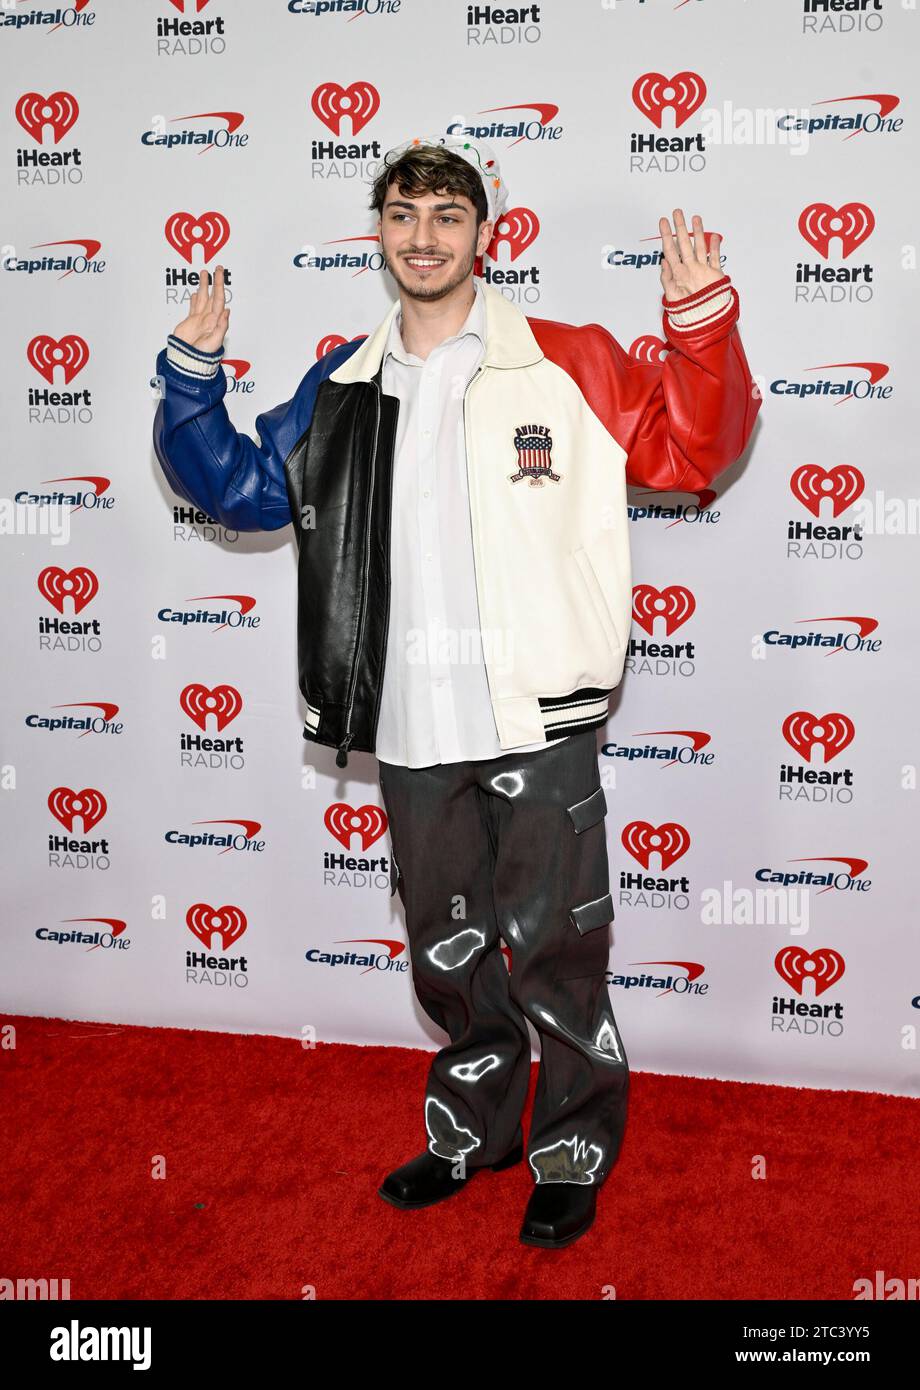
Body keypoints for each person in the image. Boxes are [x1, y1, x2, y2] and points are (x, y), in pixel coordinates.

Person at [152, 133, 761, 1249]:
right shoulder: (338, 378)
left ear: (485, 233)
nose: (423, 236)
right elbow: (242, 491)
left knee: (559, 947)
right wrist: (190, 379)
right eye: (403, 214)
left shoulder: (566, 357)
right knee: (448, 948)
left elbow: (689, 448)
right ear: (377, 232)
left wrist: (700, 328)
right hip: (410, 720)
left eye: (446, 214)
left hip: (539, 713)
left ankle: (571, 1145)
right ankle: (470, 1131)